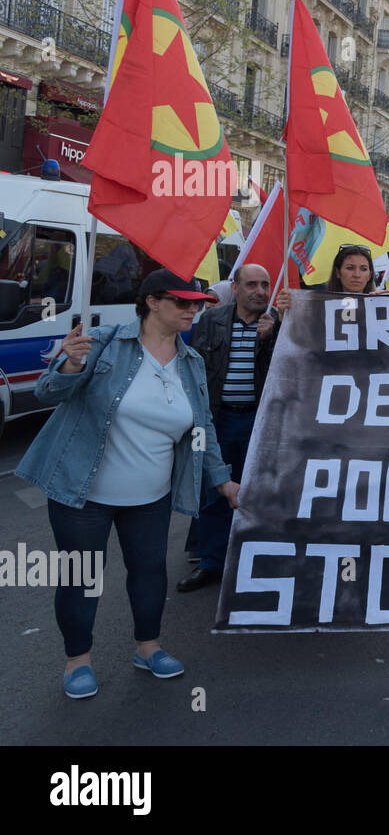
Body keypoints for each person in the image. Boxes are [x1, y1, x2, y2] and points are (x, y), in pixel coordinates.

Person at [15, 270, 238, 699]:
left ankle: (147, 648)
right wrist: (71, 363)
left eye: (197, 304)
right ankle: (77, 661)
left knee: (150, 574)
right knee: (82, 578)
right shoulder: (104, 342)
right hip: (83, 493)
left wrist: (223, 480)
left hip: (151, 497)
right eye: (182, 302)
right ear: (152, 302)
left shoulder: (191, 364)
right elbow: (47, 391)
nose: (192, 310)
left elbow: (201, 427)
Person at [177, 264, 281, 592]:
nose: (260, 291)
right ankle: (212, 563)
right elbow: (195, 369)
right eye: (252, 284)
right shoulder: (211, 320)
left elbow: (290, 372)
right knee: (215, 493)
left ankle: (258, 562)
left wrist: (269, 339)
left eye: (265, 284)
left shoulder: (280, 321)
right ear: (234, 288)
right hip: (218, 420)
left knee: (264, 492)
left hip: (261, 422)